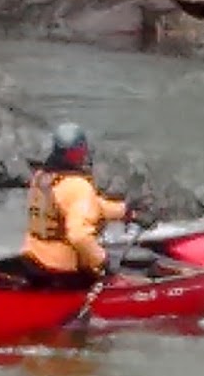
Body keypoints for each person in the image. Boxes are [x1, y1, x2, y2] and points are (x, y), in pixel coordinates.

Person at [17, 122, 143, 289]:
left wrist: (125, 212)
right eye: (82, 150)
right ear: (76, 153)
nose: (84, 154)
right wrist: (103, 259)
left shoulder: (42, 177)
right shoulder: (77, 186)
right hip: (61, 270)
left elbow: (86, 205)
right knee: (123, 271)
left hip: (32, 259)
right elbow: (78, 235)